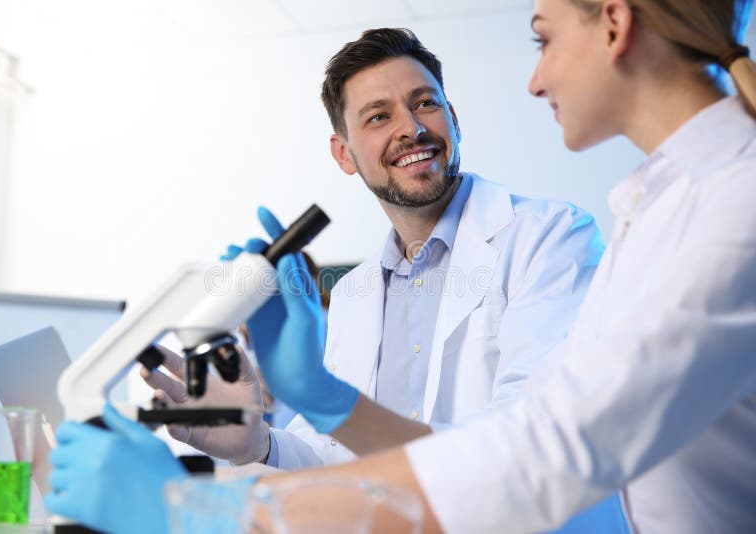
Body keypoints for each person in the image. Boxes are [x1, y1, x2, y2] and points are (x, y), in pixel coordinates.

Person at [45, 0, 756, 530]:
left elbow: (538, 452)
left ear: (614, 21)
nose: (534, 80)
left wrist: (190, 509)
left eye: (426, 104)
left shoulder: (579, 231)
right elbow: (353, 460)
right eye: (378, 116)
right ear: (343, 154)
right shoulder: (657, 207)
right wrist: (263, 438)